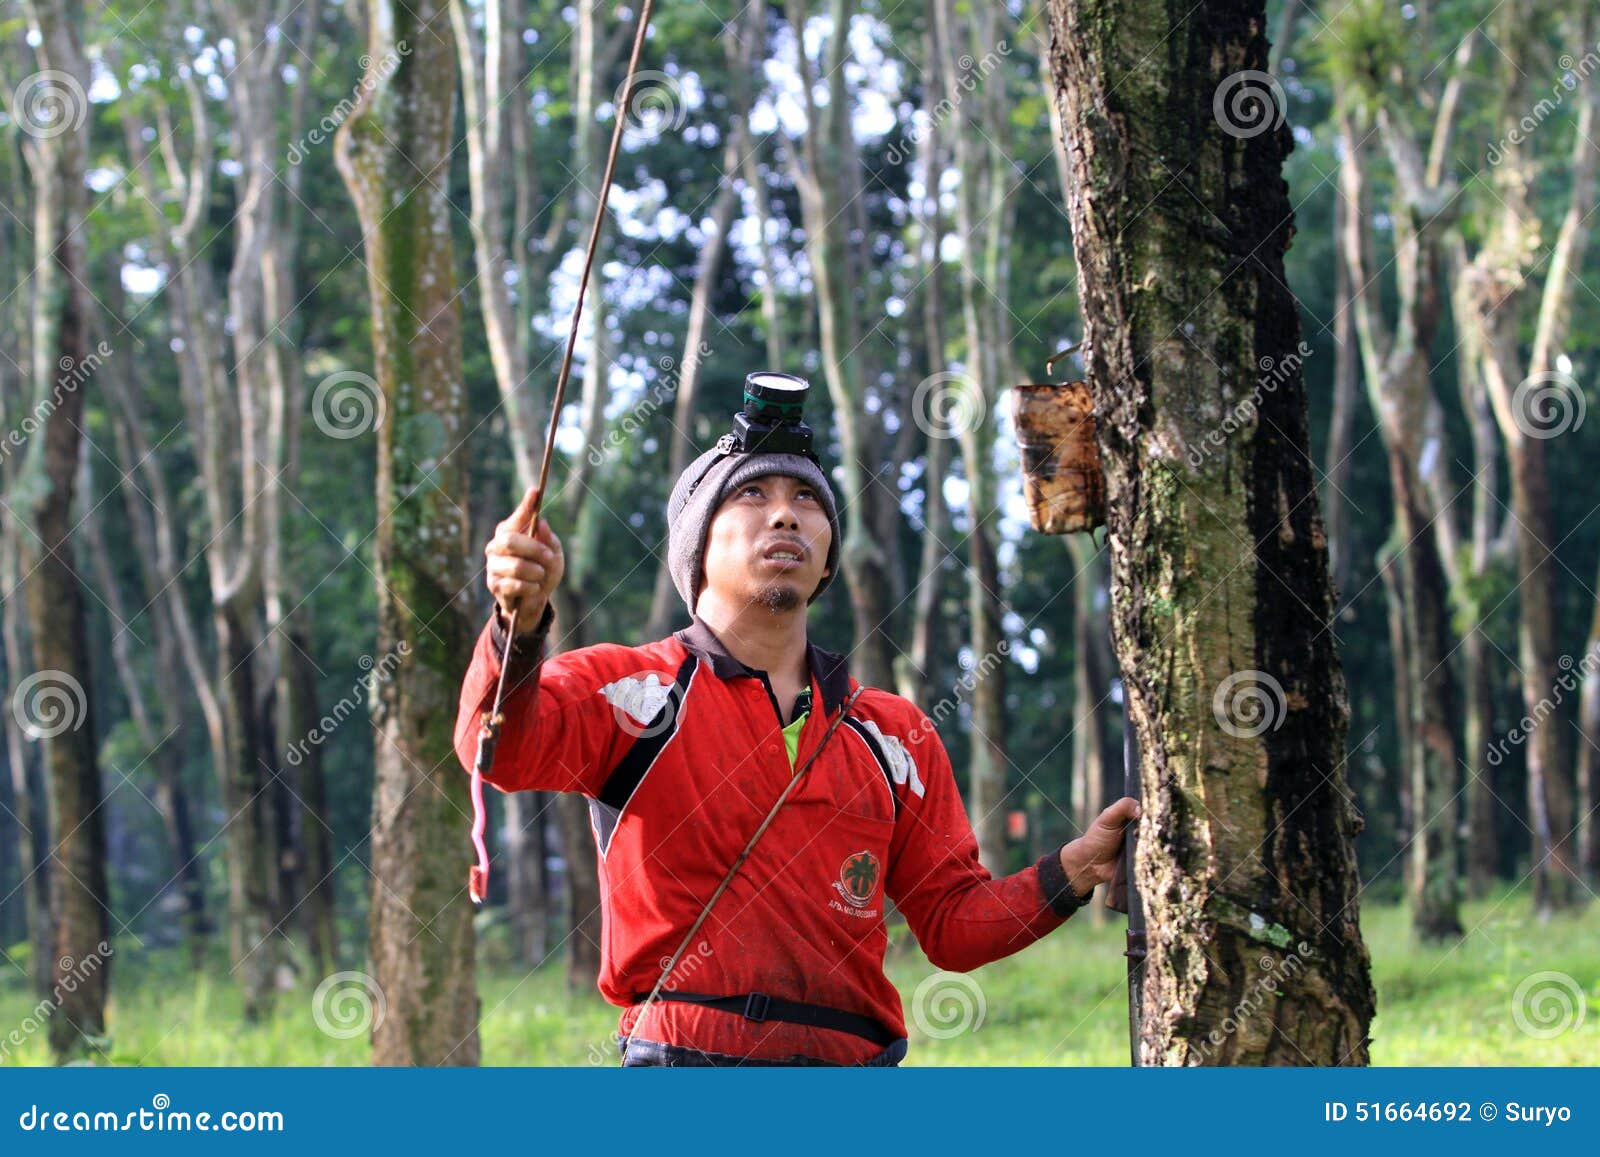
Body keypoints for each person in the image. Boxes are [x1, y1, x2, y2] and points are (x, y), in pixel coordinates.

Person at [454, 383, 1139, 1066]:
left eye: (806, 499)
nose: (785, 515)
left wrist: (1073, 869)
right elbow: (498, 750)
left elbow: (952, 924)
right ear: (697, 546)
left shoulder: (895, 734)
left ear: (829, 555)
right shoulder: (632, 689)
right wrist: (520, 626)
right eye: (751, 496)